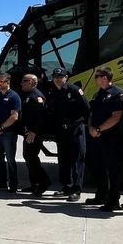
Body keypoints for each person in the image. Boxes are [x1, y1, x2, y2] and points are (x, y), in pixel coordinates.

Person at [86, 67, 123, 212]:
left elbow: (115, 117)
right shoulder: (98, 94)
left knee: (112, 170)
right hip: (96, 136)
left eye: (97, 76)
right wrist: (91, 127)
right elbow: (92, 113)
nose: (95, 79)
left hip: (110, 138)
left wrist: (98, 130)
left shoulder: (118, 94)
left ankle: (113, 200)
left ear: (104, 77)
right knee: (97, 167)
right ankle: (101, 195)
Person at [49, 67, 90, 201]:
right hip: (61, 132)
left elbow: (86, 109)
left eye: (61, 77)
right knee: (63, 160)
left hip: (76, 130)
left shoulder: (74, 90)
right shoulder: (53, 91)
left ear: (66, 77)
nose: (58, 79)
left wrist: (77, 124)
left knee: (77, 160)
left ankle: (76, 190)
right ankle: (66, 187)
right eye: (56, 77)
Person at [0, 73, 22, 193]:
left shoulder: (14, 96)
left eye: (1, 82)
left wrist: (1, 127)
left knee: (10, 159)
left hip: (9, 133)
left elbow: (14, 116)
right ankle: (1, 182)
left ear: (8, 82)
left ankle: (13, 184)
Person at [20, 73, 50, 196]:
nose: (21, 83)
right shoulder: (28, 95)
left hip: (34, 133)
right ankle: (34, 184)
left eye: (24, 80)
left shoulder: (37, 97)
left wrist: (34, 132)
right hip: (28, 132)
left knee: (31, 157)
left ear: (32, 82)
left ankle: (44, 182)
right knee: (28, 157)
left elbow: (41, 117)